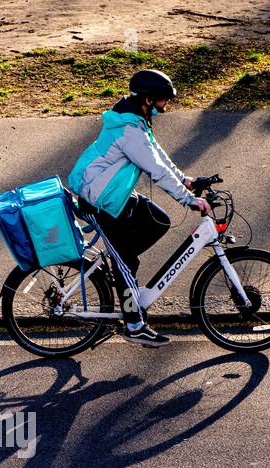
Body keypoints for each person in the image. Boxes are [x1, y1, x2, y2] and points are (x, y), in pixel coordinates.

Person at [69, 68, 212, 347]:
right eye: (162, 100)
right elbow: (155, 170)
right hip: (100, 202)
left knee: (158, 220)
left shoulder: (136, 121)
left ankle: (121, 265)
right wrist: (188, 198)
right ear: (147, 99)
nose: (165, 105)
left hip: (115, 196)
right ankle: (134, 325)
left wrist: (186, 180)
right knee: (125, 264)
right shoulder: (128, 129)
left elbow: (157, 154)